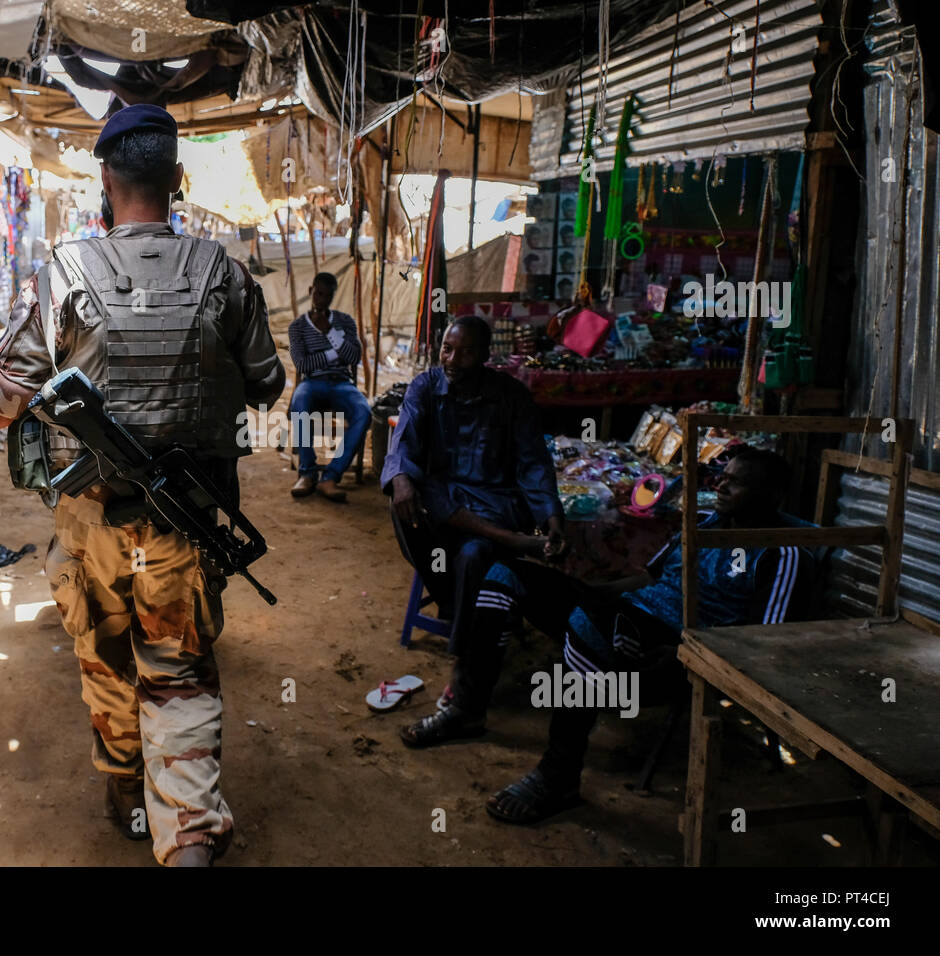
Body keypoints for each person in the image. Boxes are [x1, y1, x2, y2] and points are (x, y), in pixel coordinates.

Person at [0, 103, 285, 866]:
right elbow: (267, 385)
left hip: (92, 523)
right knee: (177, 675)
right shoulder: (227, 274)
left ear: (105, 178)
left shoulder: (63, 274)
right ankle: (187, 838)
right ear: (178, 180)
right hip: (185, 523)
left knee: (105, 652)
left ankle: (124, 788)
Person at [481, 446, 816, 824]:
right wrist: (588, 594)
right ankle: (467, 706)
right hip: (629, 614)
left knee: (588, 626)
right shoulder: (703, 522)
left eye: (736, 483)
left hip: (673, 652)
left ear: (772, 496)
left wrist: (679, 653)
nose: (721, 487)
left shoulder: (784, 553)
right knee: (504, 574)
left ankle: (557, 778)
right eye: (723, 478)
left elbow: (758, 642)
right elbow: (650, 577)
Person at [381, 314, 567, 747]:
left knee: (473, 558)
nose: (453, 359)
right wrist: (401, 477)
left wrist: (552, 516)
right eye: (448, 348)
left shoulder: (511, 397)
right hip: (441, 511)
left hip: (494, 505)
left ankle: (463, 701)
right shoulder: (425, 387)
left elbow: (533, 464)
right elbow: (402, 443)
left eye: (465, 351)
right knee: (409, 494)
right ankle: (509, 552)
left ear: (486, 355)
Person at [287, 272, 371, 501]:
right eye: (318, 293)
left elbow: (353, 357)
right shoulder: (297, 327)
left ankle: (330, 478)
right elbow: (302, 363)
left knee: (364, 412)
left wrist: (330, 333)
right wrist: (335, 352)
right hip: (312, 382)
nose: (321, 299)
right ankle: (307, 472)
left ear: (333, 296)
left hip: (342, 384)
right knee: (299, 402)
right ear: (311, 291)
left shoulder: (345, 322)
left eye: (327, 295)